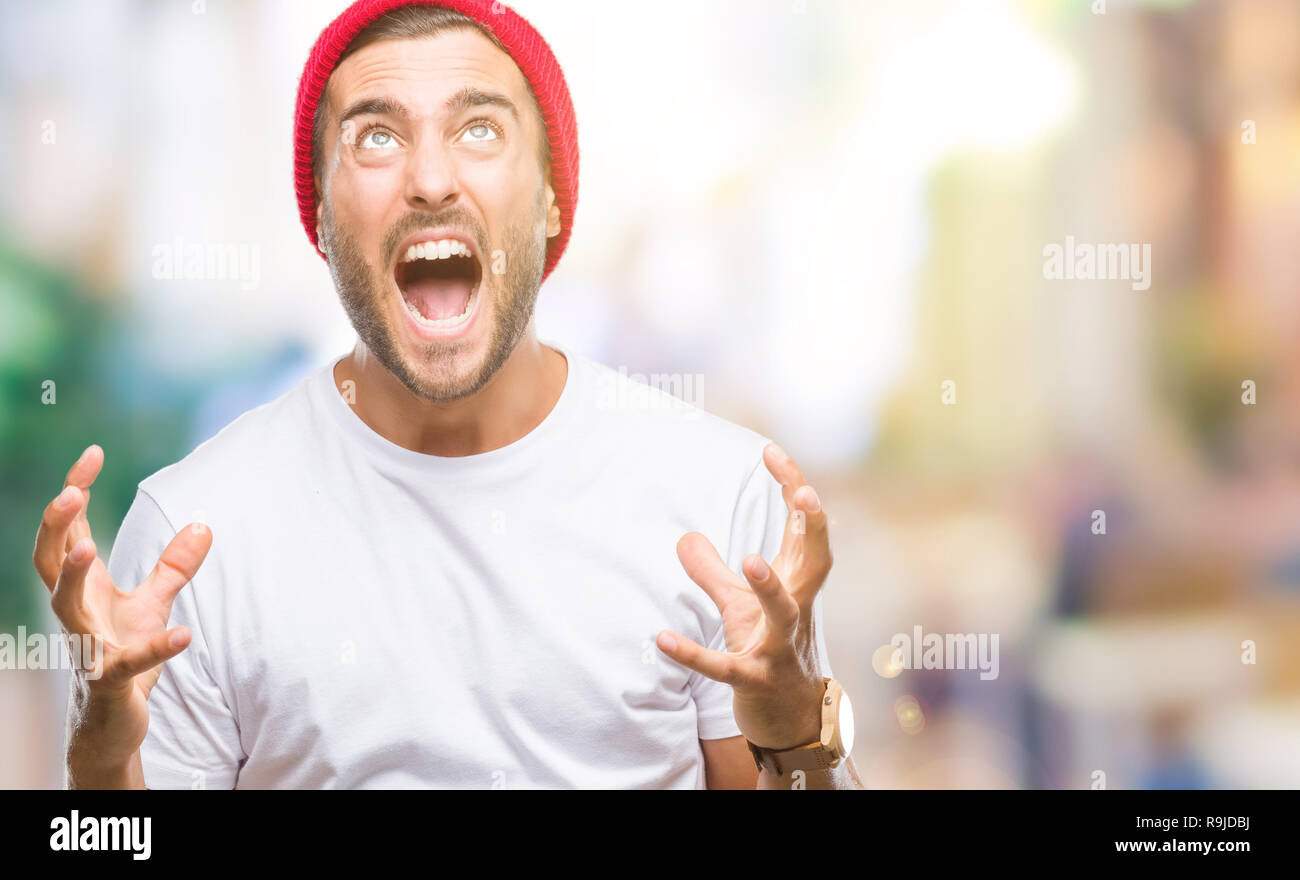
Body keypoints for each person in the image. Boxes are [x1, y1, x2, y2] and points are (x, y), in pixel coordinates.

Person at [32, 0, 861, 790]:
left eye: (480, 129)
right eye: (377, 137)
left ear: (550, 199)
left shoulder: (718, 499)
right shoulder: (192, 539)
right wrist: (101, 759)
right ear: (321, 216)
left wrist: (795, 730)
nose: (431, 179)